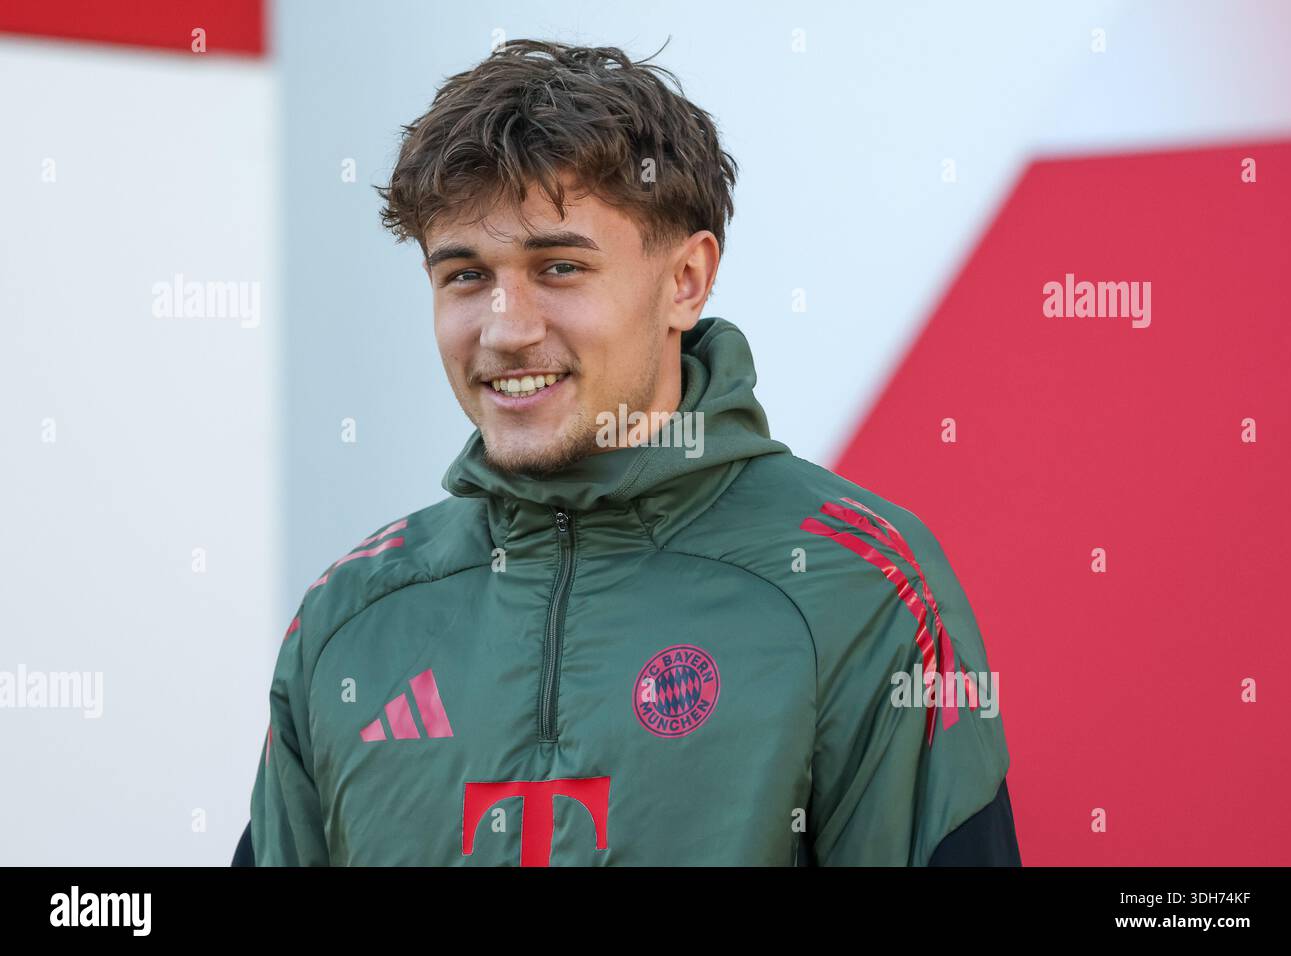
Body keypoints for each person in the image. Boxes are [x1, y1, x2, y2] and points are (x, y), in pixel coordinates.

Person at [239, 38, 1019, 866]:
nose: (506, 329)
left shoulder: (857, 586)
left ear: (686, 280)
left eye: (561, 267)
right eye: (465, 276)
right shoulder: (351, 617)